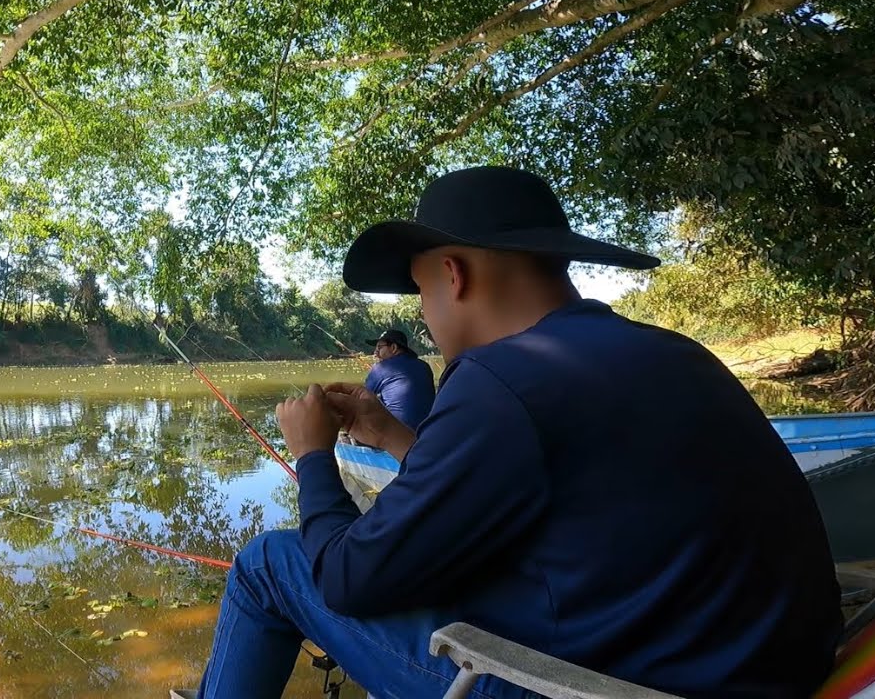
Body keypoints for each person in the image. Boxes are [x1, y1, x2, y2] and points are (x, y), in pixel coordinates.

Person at [186, 166, 841, 699]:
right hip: (764, 670)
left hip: (606, 686)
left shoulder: (501, 380)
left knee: (269, 565)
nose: (424, 314)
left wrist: (312, 456)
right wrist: (389, 433)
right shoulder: (670, 351)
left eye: (419, 293)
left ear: (452, 275)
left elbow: (349, 581)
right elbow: (532, 490)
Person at [362, 329, 435, 430]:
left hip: (398, 433)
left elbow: (360, 398)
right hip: (429, 430)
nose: (375, 353)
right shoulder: (424, 366)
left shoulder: (380, 368)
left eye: (379, 347)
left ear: (393, 347)